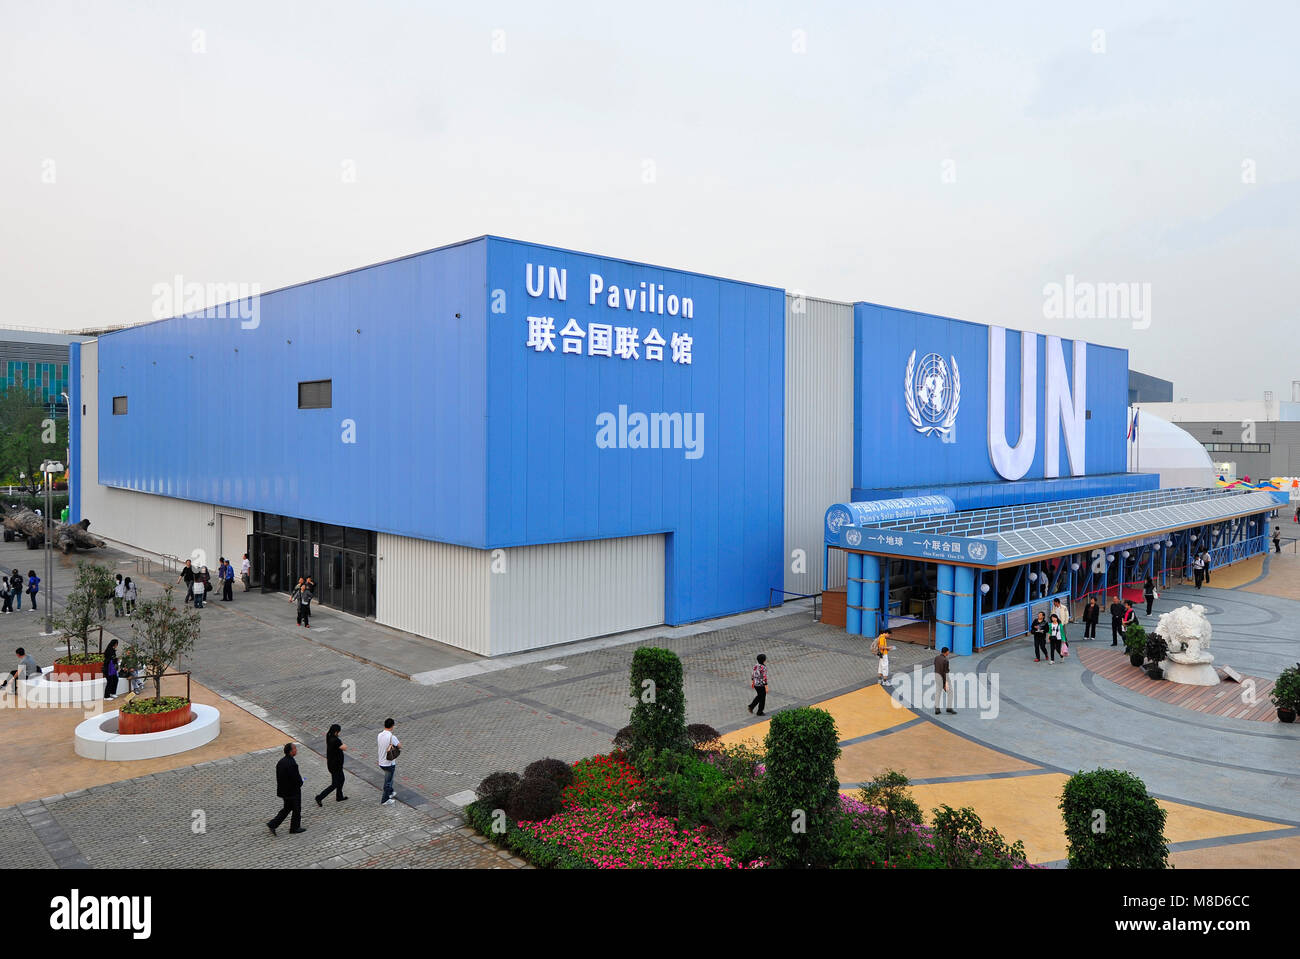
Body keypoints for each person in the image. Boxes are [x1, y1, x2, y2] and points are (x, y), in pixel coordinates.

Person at [267, 743, 306, 835]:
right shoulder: (292, 763)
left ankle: (273, 824)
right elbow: (296, 778)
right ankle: (294, 827)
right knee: (296, 809)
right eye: (295, 749)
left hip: (284, 791)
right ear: (291, 751)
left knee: (287, 808)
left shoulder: (281, 762)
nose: (296, 750)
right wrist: (301, 782)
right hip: (292, 791)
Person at [314, 724, 348, 806]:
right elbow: (344, 748)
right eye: (338, 732)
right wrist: (342, 743)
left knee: (342, 779)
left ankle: (339, 796)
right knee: (335, 784)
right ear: (336, 732)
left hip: (332, 764)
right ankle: (319, 797)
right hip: (336, 765)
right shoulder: (336, 740)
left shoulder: (328, 736)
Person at [378, 719, 401, 806]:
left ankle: (391, 792)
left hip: (381, 761)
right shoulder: (392, 737)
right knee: (388, 782)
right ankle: (385, 799)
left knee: (389, 779)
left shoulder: (379, 735)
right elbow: (399, 746)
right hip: (389, 763)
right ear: (392, 726)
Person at [933, 647, 955, 714]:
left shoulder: (936, 658)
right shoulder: (946, 660)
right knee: (950, 692)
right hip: (944, 676)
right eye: (948, 651)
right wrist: (945, 683)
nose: (948, 653)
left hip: (936, 675)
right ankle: (949, 708)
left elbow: (935, 665)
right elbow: (944, 672)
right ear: (946, 652)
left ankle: (937, 708)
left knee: (938, 692)